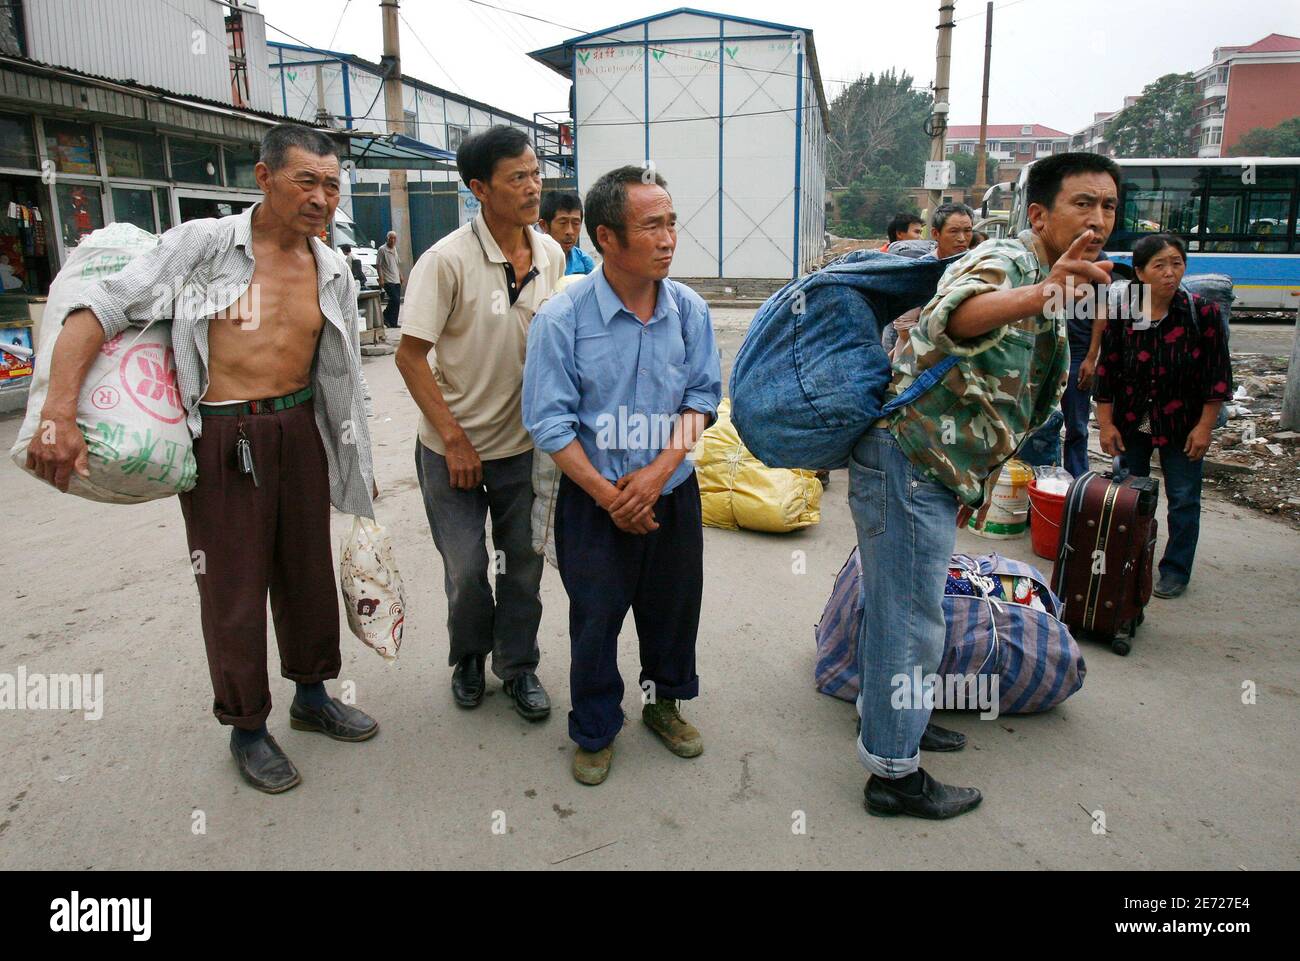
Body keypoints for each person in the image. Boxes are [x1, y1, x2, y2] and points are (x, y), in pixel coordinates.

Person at [25, 123, 379, 794]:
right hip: (225, 437)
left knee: (306, 573)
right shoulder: (204, 244)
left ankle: (312, 693)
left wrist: (354, 459)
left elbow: (341, 373)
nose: (321, 197)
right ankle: (247, 726)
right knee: (233, 590)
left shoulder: (329, 266)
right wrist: (56, 413)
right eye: (306, 180)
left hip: (298, 428)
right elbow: (99, 308)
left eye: (331, 184)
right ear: (264, 177)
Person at [851, 152, 1120, 819]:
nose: (1098, 219)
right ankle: (892, 770)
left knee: (908, 610)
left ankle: (894, 720)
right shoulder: (1007, 262)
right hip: (909, 457)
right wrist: (1041, 295)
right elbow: (955, 315)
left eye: (1109, 206)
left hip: (930, 468)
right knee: (910, 620)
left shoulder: (1043, 271)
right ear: (1039, 213)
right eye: (1082, 203)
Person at [522, 166, 722, 786]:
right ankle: (596, 726)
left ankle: (665, 704)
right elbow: (550, 424)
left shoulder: (687, 308)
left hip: (669, 495)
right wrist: (613, 497)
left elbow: (702, 398)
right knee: (596, 614)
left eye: (671, 224)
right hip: (592, 500)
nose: (668, 239)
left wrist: (657, 473)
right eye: (651, 226)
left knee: (673, 607)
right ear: (606, 237)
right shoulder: (562, 319)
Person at [395, 126, 563, 721]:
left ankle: (517, 667)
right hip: (452, 450)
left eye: (535, 173)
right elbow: (410, 355)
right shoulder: (444, 262)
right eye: (517, 177)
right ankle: (468, 656)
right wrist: (454, 439)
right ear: (479, 189)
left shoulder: (550, 253)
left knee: (524, 564)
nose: (533, 186)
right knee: (467, 567)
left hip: (525, 448)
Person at [1095, 233, 1230, 599]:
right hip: (1134, 420)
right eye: (1160, 265)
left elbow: (1217, 375)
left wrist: (1204, 428)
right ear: (1139, 272)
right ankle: (1128, 563)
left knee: (1184, 498)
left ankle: (1175, 570)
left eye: (1177, 263)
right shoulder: (1125, 314)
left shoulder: (1203, 313)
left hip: (1183, 423)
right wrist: (1106, 424)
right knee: (1128, 497)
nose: (1170, 273)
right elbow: (1106, 371)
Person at [884, 202, 975, 359]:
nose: (962, 238)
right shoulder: (921, 270)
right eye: (953, 231)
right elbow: (905, 328)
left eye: (967, 231)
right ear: (935, 233)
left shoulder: (976, 267)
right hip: (918, 362)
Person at [538, 191, 595, 275]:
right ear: (544, 225)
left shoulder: (585, 264)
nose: (570, 231)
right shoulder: (532, 263)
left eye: (575, 223)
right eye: (562, 223)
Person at [377, 230, 402, 328]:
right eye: (390, 238)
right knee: (394, 300)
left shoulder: (395, 249)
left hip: (396, 279)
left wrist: (400, 275)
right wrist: (381, 278)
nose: (392, 240)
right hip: (388, 279)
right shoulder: (382, 249)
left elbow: (396, 263)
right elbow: (378, 265)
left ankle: (393, 322)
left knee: (397, 302)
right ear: (387, 239)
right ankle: (385, 316)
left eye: (394, 238)